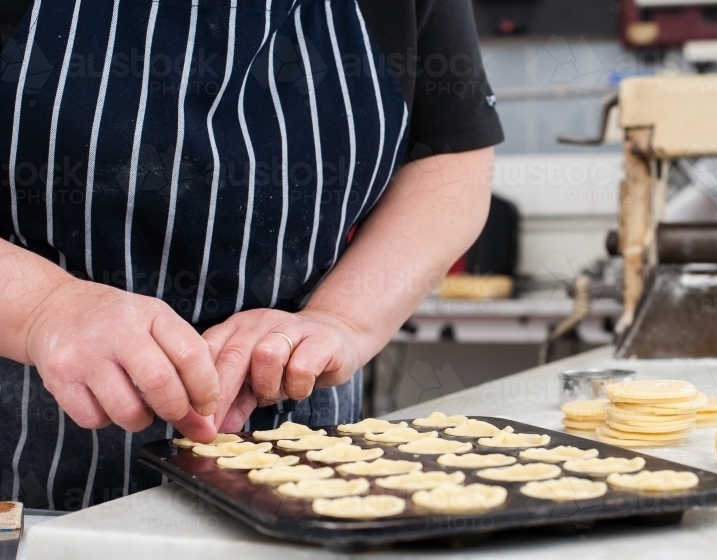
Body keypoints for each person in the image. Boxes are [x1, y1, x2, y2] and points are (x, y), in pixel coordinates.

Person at [1, 0, 502, 511]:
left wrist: (343, 318)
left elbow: (450, 160)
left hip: (307, 474)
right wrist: (44, 308)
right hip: (22, 480)